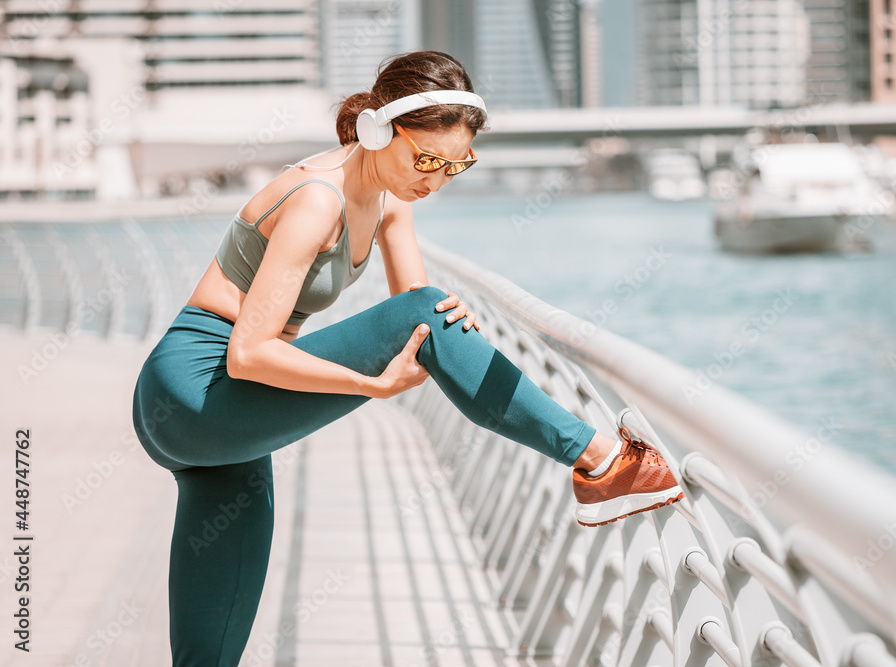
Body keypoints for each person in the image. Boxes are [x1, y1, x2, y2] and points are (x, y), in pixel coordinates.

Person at [131, 50, 683, 665]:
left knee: (208, 652)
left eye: (455, 165)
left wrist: (453, 326)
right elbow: (249, 353)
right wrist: (372, 384)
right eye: (426, 159)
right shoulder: (318, 199)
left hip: (223, 428)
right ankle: (602, 461)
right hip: (192, 390)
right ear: (377, 129)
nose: (436, 179)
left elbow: (420, 317)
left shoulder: (393, 200)